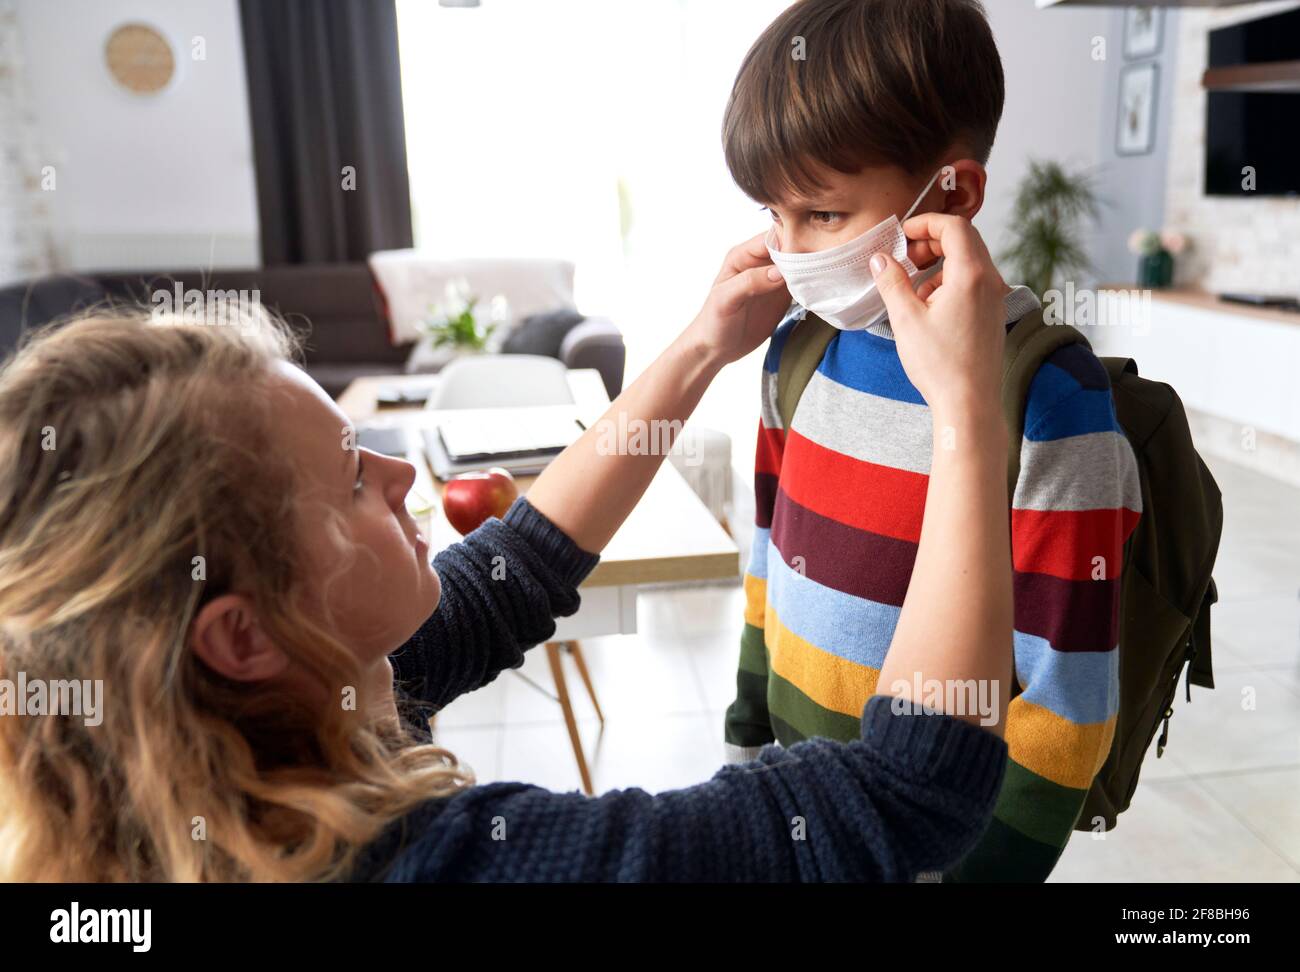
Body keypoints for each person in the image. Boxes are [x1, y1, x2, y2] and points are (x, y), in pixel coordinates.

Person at [0, 215, 1012, 883]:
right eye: (356, 477)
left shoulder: (221, 749)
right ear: (241, 636)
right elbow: (906, 798)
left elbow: (505, 576)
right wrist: (968, 411)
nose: (402, 478)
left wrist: (703, 342)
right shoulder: (451, 867)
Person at [720, 0, 1142, 881]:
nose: (787, 253)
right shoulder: (798, 350)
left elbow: (1066, 705)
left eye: (823, 216)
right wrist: (749, 737)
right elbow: (767, 560)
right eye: (773, 213)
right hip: (798, 814)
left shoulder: (1051, 400)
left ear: (951, 194)